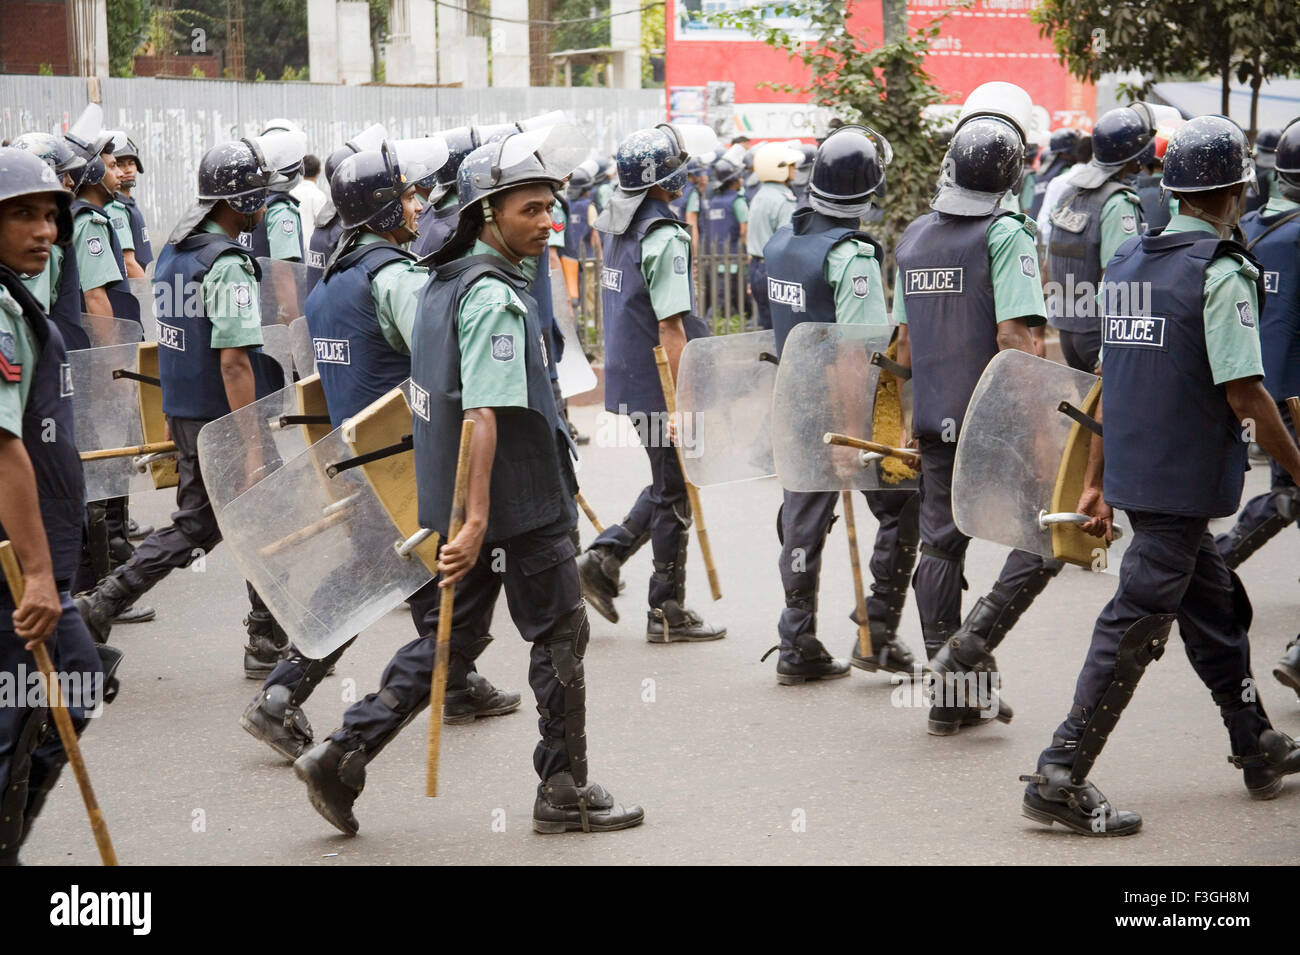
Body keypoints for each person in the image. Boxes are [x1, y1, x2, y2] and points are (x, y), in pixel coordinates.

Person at [293, 129, 644, 836]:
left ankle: (342, 751)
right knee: (558, 635)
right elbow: (481, 413)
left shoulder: (441, 283)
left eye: (552, 207)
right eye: (531, 209)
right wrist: (479, 521)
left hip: (467, 505)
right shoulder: (490, 297)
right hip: (514, 506)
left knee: (452, 640)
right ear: (487, 215)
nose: (549, 221)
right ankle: (566, 786)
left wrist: (462, 519)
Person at [1022, 115, 1300, 836]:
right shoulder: (1219, 270)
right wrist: (1299, 467)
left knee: (1216, 614)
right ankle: (1061, 769)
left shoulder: (1129, 264)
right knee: (1134, 625)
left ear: (1173, 189)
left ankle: (1255, 741)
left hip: (1145, 477)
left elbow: (1110, 380)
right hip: (1180, 480)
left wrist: (1094, 479)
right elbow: (1246, 392)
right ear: (1239, 189)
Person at [241, 140, 520, 761]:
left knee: (372, 574)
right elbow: (446, 354)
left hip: (359, 457)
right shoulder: (393, 278)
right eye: (406, 197)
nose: (418, 207)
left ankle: (285, 696)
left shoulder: (328, 284)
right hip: (404, 460)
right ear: (383, 208)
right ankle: (330, 714)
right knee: (439, 577)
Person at [74, 138, 293, 678]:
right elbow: (235, 362)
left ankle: (265, 637)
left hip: (187, 410)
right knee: (228, 520)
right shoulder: (228, 264)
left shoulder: (177, 252)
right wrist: (249, 445)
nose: (265, 206)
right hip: (226, 416)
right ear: (239, 201)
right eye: (259, 196)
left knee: (223, 520)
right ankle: (107, 601)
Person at [894, 105, 1060, 735]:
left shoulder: (914, 238)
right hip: (998, 424)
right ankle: (968, 653)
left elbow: (904, 345)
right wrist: (1046, 432)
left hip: (937, 419)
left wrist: (912, 415)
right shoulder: (1005, 234)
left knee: (940, 544)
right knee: (1043, 541)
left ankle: (952, 693)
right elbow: (1017, 339)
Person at [761, 124, 918, 684]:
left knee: (802, 521)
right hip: (847, 406)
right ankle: (876, 629)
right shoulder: (851, 257)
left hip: (794, 399)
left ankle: (795, 640)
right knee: (904, 507)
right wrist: (858, 439)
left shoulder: (783, 241)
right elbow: (857, 355)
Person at [0, 147, 107, 866]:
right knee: (34, 704)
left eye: (49, 215)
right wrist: (39, 575)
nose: (45, 230)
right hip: (17, 563)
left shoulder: (17, 300)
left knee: (69, 685)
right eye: (22, 215)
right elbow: (2, 445)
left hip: (37, 555)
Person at [579, 123, 726, 643]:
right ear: (667, 177)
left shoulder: (619, 223)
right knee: (675, 490)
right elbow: (671, 325)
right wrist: (684, 403)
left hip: (630, 370)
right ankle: (664, 607)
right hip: (659, 378)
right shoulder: (662, 234)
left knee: (671, 483)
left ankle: (608, 558)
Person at [1213, 118, 1300, 696]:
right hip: (1289, 394)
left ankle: (1210, 571)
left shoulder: (1251, 225)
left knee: (1286, 495)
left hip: (1255, 387)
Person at [1045, 104, 1161, 372]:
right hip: (1099, 334)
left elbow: (1050, 261)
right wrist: (1112, 347)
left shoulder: (1070, 193)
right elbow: (1119, 278)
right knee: (1112, 412)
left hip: (1068, 329)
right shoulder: (1118, 202)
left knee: (1084, 410)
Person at [745, 140, 802, 330]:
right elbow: (787, 243)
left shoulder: (759, 197)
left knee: (768, 327)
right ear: (779, 168)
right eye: (791, 165)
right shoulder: (783, 200)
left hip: (757, 268)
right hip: (776, 270)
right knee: (786, 329)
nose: (794, 170)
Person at [699, 151, 747, 320]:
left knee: (724, 294)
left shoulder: (714, 202)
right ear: (733, 181)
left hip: (716, 256)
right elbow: (744, 229)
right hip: (733, 257)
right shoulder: (737, 201)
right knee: (724, 296)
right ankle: (709, 323)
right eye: (739, 177)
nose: (742, 180)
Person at [104, 130, 148, 278]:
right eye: (120, 164)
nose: (128, 169)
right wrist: (151, 295)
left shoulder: (129, 205)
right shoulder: (115, 207)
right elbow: (128, 263)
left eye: (131, 163)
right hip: (136, 291)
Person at [291, 153, 327, 249]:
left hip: (294, 248)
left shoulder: (291, 193)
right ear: (319, 171)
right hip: (312, 249)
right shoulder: (319, 196)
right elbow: (323, 224)